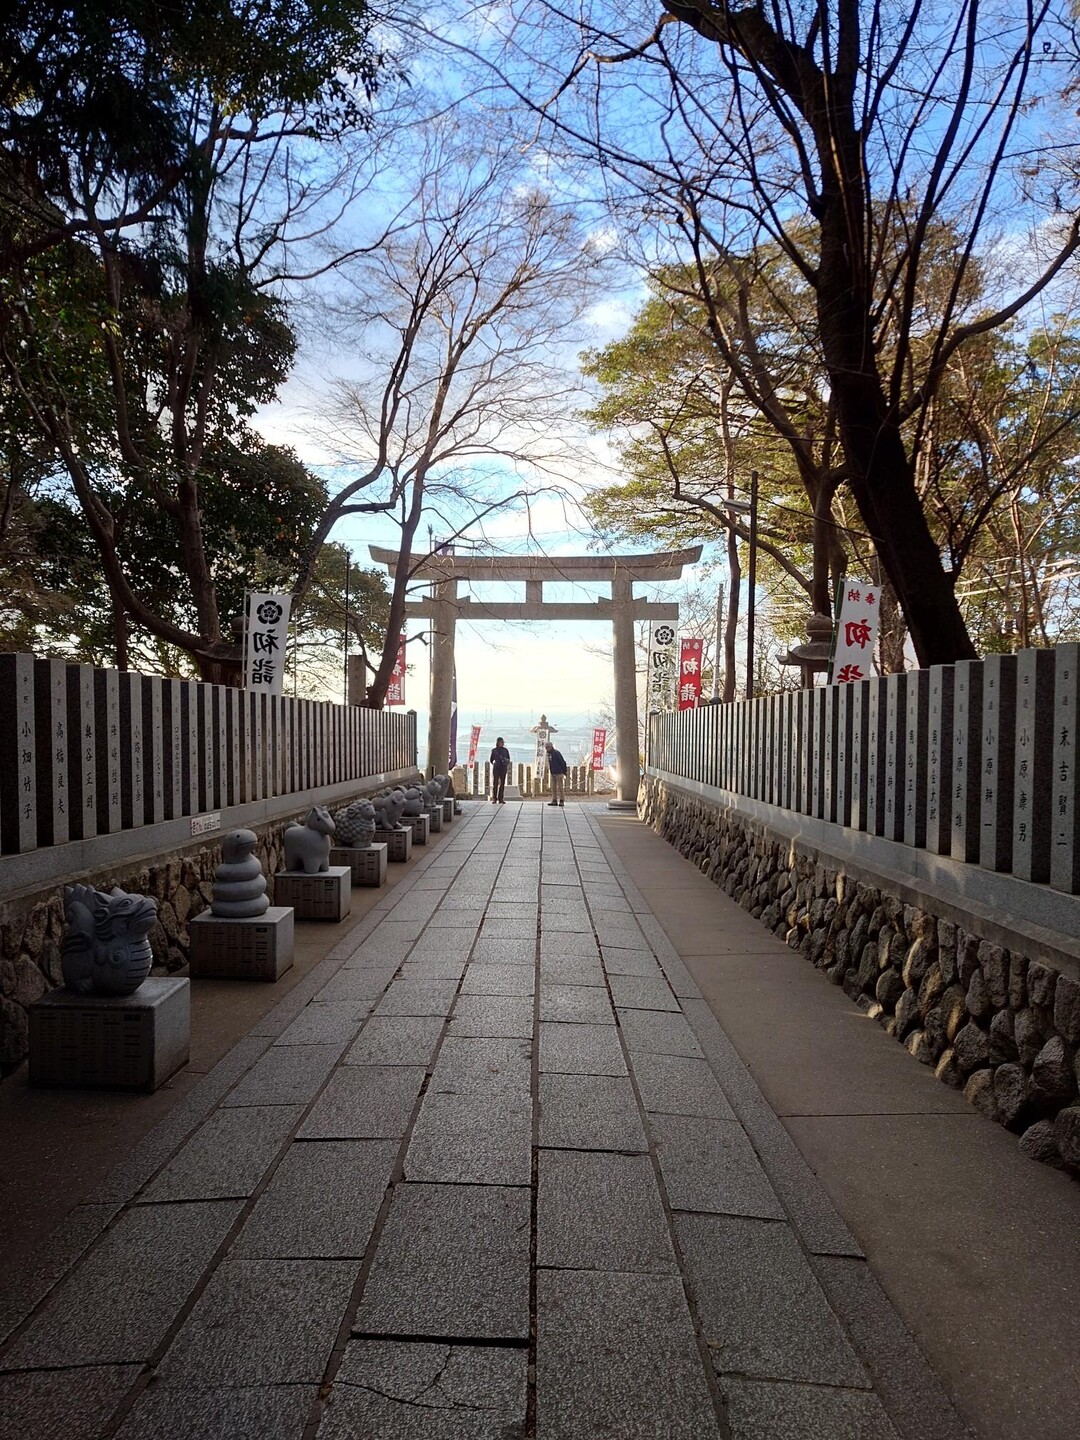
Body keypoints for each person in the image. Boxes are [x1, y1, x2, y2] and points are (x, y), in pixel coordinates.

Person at [545, 741, 568, 806]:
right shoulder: (548, 754)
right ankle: (554, 800)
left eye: (547, 747)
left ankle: (562, 800)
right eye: (546, 747)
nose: (546, 749)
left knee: (560, 787)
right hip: (553, 772)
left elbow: (563, 762)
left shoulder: (556, 753)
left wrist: (564, 771)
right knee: (553, 787)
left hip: (559, 772)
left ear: (551, 747)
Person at [489, 737, 511, 804]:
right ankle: (494, 798)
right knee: (495, 783)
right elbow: (491, 759)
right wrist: (495, 763)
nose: (502, 743)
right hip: (496, 768)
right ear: (497, 742)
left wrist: (505, 761)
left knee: (502, 784)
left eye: (502, 742)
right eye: (501, 742)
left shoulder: (505, 750)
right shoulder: (494, 750)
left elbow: (508, 758)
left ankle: (500, 798)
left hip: (503, 768)